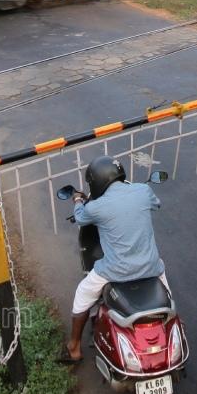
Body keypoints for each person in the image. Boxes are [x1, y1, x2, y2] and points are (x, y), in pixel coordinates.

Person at [62, 155, 169, 363]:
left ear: (96, 182)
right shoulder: (143, 191)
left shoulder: (96, 207)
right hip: (151, 267)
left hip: (116, 271)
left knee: (82, 294)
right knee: (168, 300)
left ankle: (74, 347)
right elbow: (157, 204)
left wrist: (77, 200)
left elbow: (81, 217)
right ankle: (169, 330)